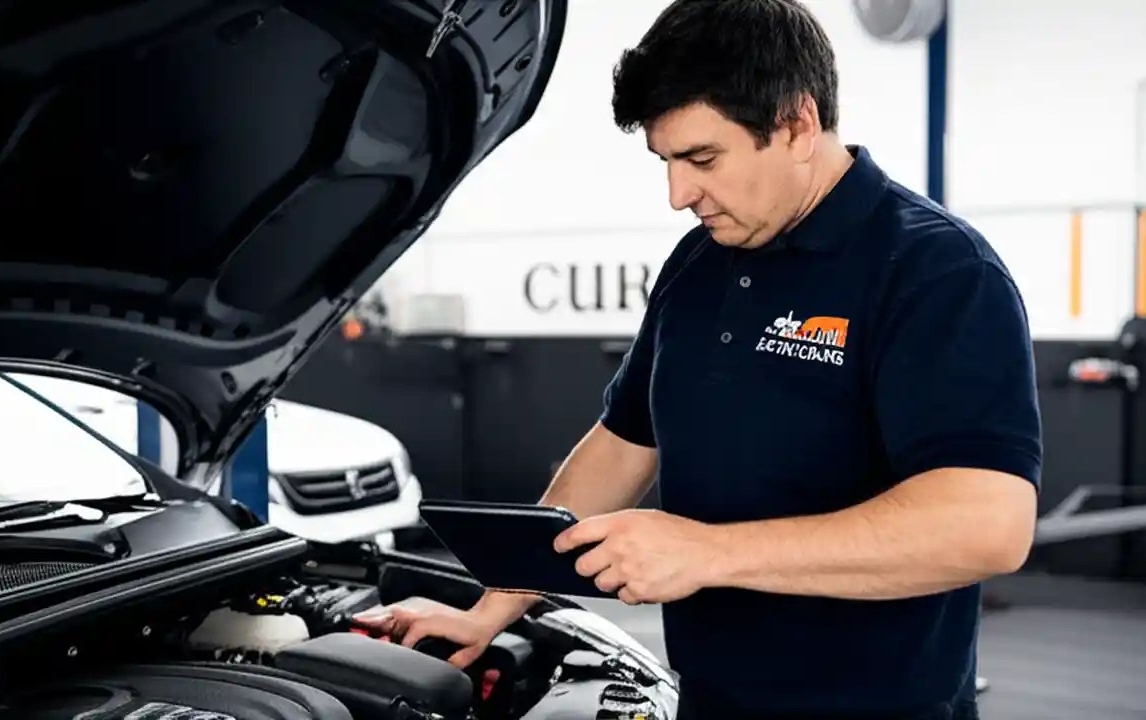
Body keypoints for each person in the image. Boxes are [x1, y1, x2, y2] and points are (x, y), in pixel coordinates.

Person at [354, 1, 1042, 717]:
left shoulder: (937, 272)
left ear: (797, 125)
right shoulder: (700, 263)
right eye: (666, 161)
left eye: (702, 159)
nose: (679, 194)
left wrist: (709, 552)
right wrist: (491, 608)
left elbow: (985, 525)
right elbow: (622, 447)